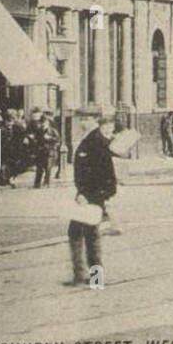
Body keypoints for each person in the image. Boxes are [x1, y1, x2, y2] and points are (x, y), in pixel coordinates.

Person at [68, 115, 117, 287]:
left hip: (91, 195)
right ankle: (87, 276)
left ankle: (88, 276)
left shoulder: (95, 141)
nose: (81, 122)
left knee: (87, 235)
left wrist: (85, 193)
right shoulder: (95, 139)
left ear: (94, 121)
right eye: (81, 118)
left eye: (85, 118)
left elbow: (97, 172)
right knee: (85, 234)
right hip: (90, 194)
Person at [27, 109, 59, 189]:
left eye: (45, 123)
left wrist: (49, 138)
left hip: (50, 150)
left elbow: (57, 139)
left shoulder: (52, 130)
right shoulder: (39, 130)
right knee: (39, 167)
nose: (43, 125)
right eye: (42, 123)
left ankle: (46, 182)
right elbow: (36, 138)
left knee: (48, 167)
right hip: (41, 150)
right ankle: (37, 184)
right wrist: (32, 138)